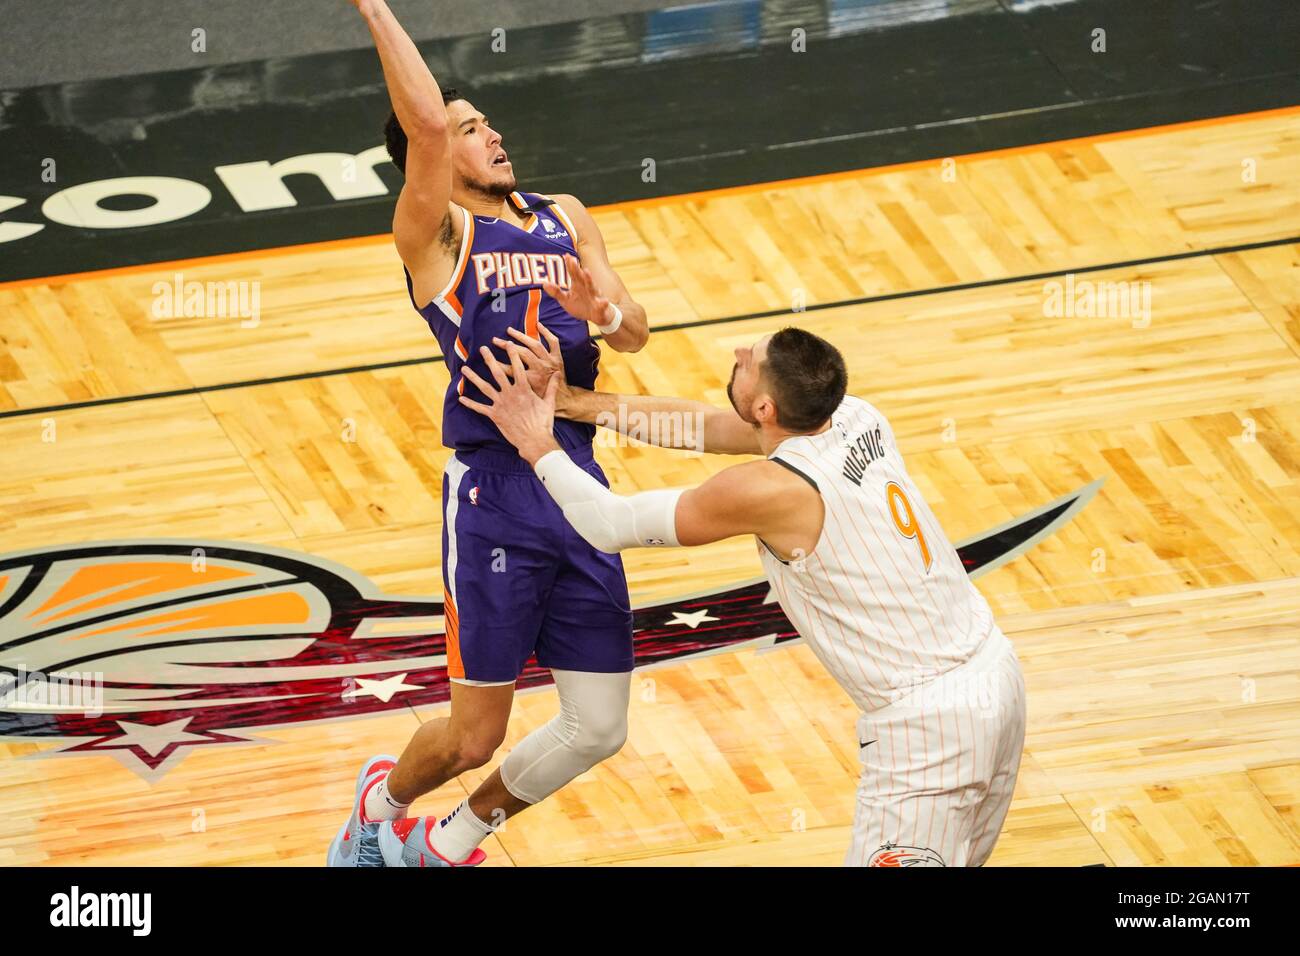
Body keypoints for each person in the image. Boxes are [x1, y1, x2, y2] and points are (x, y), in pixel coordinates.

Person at [454, 323, 1027, 867]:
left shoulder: (774, 489)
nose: (738, 354)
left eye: (751, 361)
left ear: (765, 409)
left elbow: (609, 523)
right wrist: (575, 403)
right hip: (992, 672)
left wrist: (536, 443)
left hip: (928, 727)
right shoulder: (853, 415)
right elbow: (702, 426)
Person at [329, 0, 650, 869]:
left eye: (488, 122)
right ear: (434, 161)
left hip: (576, 478)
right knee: (474, 739)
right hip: (495, 497)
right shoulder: (436, 236)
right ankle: (378, 809)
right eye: (471, 130)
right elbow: (426, 126)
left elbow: (634, 333)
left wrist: (604, 311)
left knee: (600, 726)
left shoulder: (565, 214)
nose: (492, 134)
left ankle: (447, 843)